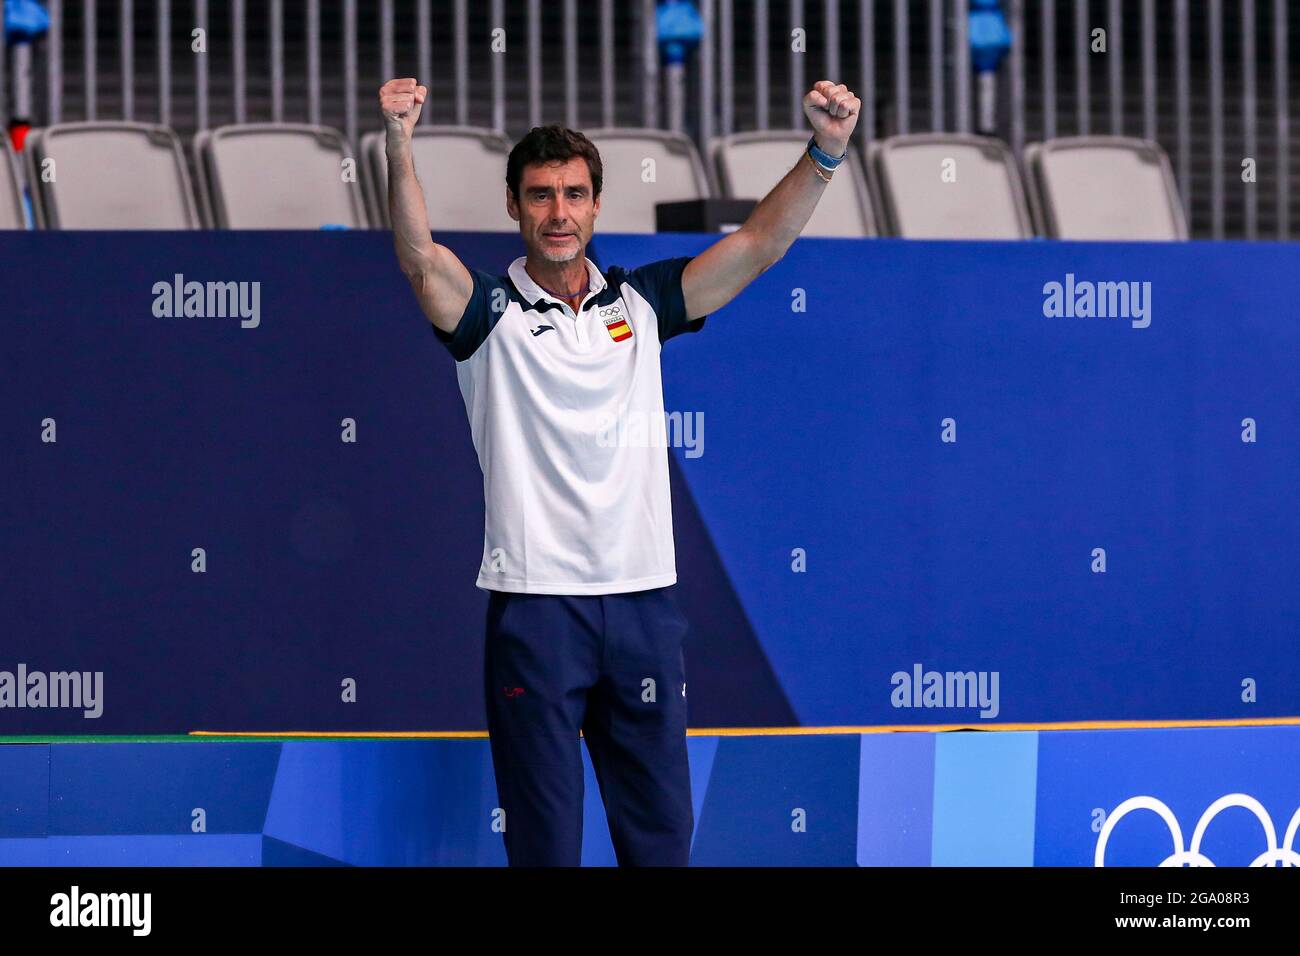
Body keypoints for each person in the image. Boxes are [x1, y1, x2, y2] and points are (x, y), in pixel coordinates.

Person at [380, 76, 860, 866]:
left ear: (598, 205)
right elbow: (417, 258)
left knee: (662, 843)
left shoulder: (642, 303)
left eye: (574, 195)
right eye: (540, 196)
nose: (558, 213)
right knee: (545, 847)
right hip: (536, 611)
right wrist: (399, 145)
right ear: (514, 206)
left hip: (642, 610)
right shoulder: (487, 314)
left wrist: (826, 153)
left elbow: (759, 246)